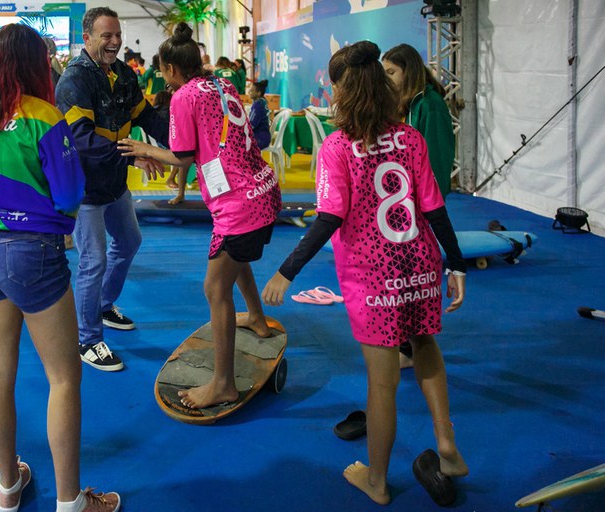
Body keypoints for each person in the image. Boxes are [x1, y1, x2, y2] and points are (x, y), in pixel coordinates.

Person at [261, 41, 468, 505]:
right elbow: (434, 209)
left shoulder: (338, 147)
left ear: (343, 93)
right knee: (426, 345)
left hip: (373, 276)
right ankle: (448, 446)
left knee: (382, 385)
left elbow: (329, 216)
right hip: (419, 264)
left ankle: (376, 480)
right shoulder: (410, 138)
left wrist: (286, 272)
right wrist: (455, 263)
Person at [0, 23, 120, 512]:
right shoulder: (44, 117)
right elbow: (70, 194)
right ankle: (70, 502)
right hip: (33, 252)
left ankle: (8, 486)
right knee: (65, 378)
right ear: (34, 63)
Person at [118, 22, 282, 409]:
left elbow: (183, 157)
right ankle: (256, 317)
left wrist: (142, 151)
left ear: (171, 69)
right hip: (262, 189)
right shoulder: (221, 84)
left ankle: (223, 383)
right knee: (233, 261)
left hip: (239, 203)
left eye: (162, 71)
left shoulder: (182, 96)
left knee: (214, 288)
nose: (161, 77)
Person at [55, 7, 168, 372]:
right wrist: (135, 157)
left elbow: (146, 117)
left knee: (130, 241)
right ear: (87, 38)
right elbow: (82, 140)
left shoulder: (122, 75)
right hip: (86, 190)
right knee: (93, 261)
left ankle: (104, 305)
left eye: (117, 35)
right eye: (107, 36)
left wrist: (183, 141)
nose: (115, 42)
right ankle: (87, 340)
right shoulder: (74, 80)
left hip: (115, 185)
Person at [382, 43, 456, 369]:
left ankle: (412, 349)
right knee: (400, 278)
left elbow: (437, 164)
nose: (386, 79)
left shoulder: (431, 106)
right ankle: (403, 344)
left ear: (407, 71)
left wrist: (424, 207)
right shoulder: (407, 104)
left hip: (420, 209)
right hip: (403, 206)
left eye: (391, 72)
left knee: (412, 282)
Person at [248, 79, 270, 150]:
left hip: (260, 139)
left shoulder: (258, 105)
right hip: (264, 136)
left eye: (251, 91)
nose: (249, 92)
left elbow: (251, 125)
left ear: (258, 93)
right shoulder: (262, 101)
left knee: (237, 142)